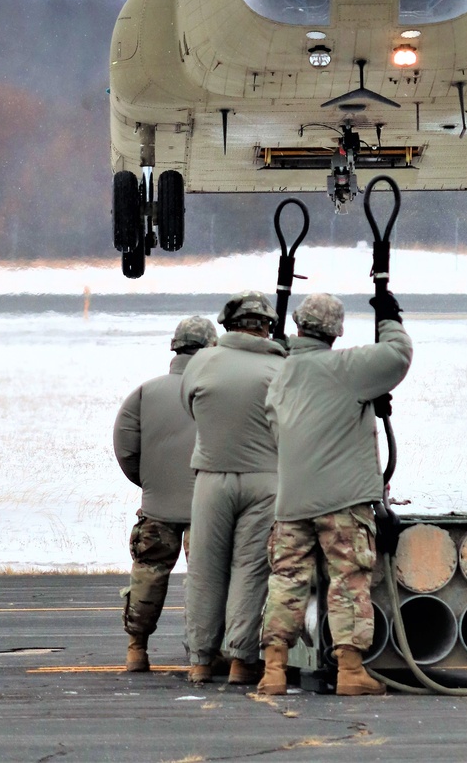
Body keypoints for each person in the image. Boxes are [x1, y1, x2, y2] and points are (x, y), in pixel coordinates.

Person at [258, 292, 413, 697]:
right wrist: (389, 316)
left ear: (298, 325)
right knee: (348, 580)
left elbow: (277, 430)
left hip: (291, 499)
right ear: (336, 331)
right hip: (341, 501)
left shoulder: (282, 376)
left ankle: (273, 668)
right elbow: (397, 356)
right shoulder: (345, 368)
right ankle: (350, 670)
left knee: (286, 579)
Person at [181, 291, 287, 686]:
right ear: (266, 327)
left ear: (228, 325)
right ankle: (241, 660)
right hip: (266, 478)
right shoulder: (281, 367)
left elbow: (188, 406)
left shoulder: (203, 361)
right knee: (250, 569)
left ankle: (200, 660)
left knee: (206, 570)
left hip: (211, 476)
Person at [113, 315, 218, 673]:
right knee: (207, 580)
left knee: (147, 575)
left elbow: (126, 449)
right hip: (209, 505)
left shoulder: (145, 393)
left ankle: (136, 649)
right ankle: (203, 657)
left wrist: (150, 483)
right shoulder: (217, 392)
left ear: (174, 349)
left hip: (157, 507)